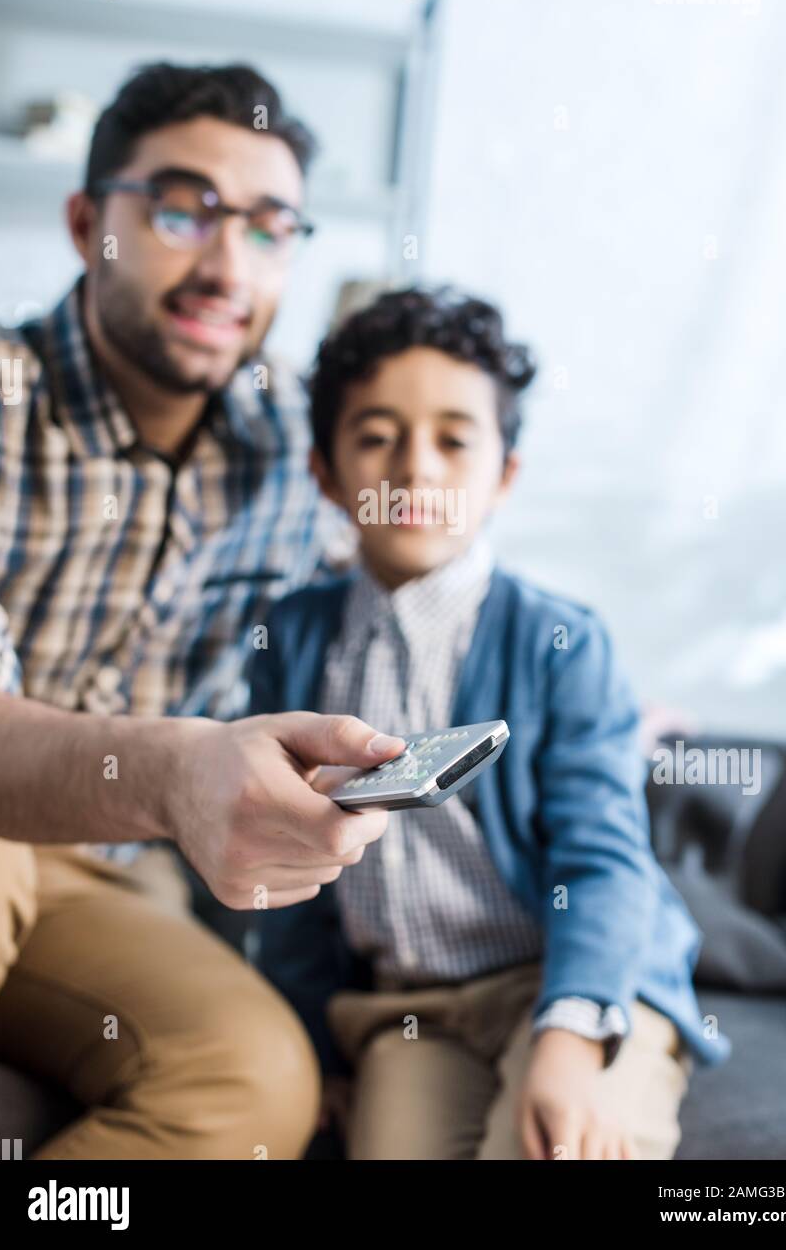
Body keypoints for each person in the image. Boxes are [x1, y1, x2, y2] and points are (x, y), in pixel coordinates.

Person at [0, 61, 406, 1159]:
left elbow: (426, 555)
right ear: (87, 223)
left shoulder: (284, 457)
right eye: (182, 210)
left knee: (257, 1082)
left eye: (271, 229)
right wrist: (174, 770)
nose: (227, 266)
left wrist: (584, 692)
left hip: (99, 872)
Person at [252, 286, 731, 1161]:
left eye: (453, 439)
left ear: (504, 475)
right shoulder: (292, 637)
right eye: (375, 436)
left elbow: (603, 859)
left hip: (571, 979)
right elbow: (285, 883)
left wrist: (571, 1037)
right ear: (324, 472)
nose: (416, 469)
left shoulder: (560, 643)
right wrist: (314, 1051)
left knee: (552, 1145)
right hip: (414, 1009)